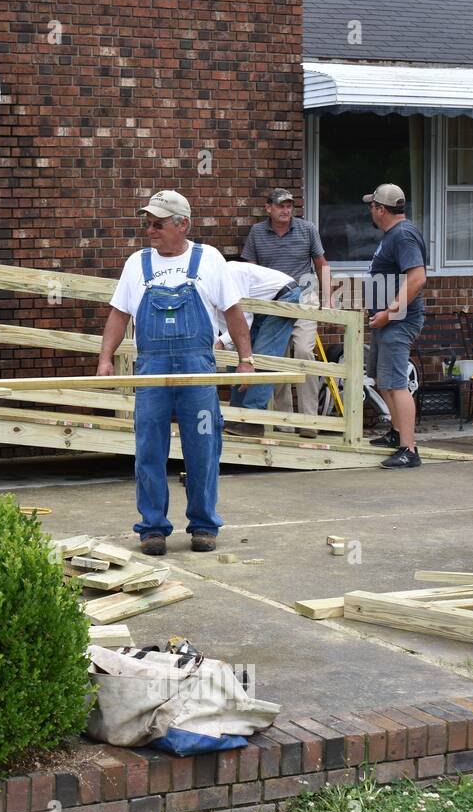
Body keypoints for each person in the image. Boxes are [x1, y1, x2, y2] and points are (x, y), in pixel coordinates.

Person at [98, 190, 253, 556]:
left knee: (202, 449)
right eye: (148, 224)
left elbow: (233, 312)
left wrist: (245, 358)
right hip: (151, 372)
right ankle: (152, 528)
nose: (151, 230)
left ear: (182, 224)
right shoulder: (137, 263)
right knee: (149, 451)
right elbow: (119, 315)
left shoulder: (209, 260)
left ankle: (203, 525)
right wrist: (105, 356)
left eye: (159, 224)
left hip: (197, 372)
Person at [241, 188, 331, 437]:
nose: (286, 210)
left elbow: (322, 264)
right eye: (281, 205)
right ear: (268, 208)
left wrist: (328, 301)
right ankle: (284, 420)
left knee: (303, 351)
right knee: (275, 357)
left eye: (290, 205)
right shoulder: (257, 233)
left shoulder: (307, 229)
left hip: (303, 296)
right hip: (272, 300)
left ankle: (309, 420)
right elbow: (250, 270)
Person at [363, 183, 427, 469]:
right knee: (381, 379)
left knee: (397, 384)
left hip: (398, 322)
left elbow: (417, 278)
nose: (370, 210)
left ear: (380, 209)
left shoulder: (402, 235)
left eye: (372, 205)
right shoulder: (393, 235)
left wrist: (389, 313)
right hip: (385, 321)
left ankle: (409, 449)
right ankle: (397, 434)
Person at [219, 255, 302, 435]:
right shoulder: (210, 290)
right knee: (238, 357)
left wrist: (220, 343)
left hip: (284, 295)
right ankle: (237, 416)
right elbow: (229, 331)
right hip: (261, 306)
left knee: (264, 357)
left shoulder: (229, 274)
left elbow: (244, 321)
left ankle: (254, 421)